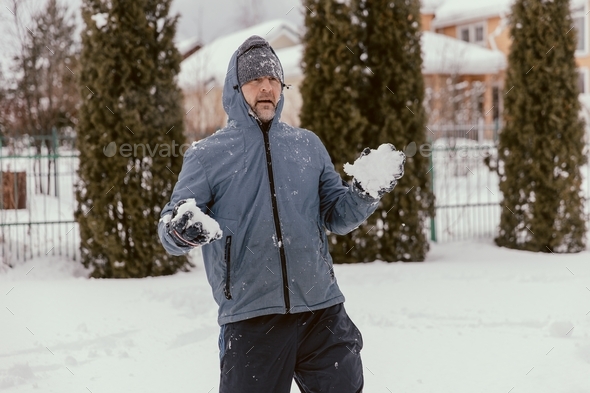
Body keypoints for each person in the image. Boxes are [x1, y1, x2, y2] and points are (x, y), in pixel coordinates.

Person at [158, 35, 405, 393]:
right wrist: (181, 229)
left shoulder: (308, 145)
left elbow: (336, 214)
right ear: (235, 87)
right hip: (252, 317)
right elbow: (170, 226)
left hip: (322, 310)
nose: (265, 87)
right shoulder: (207, 156)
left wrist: (366, 192)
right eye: (255, 79)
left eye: (273, 79)